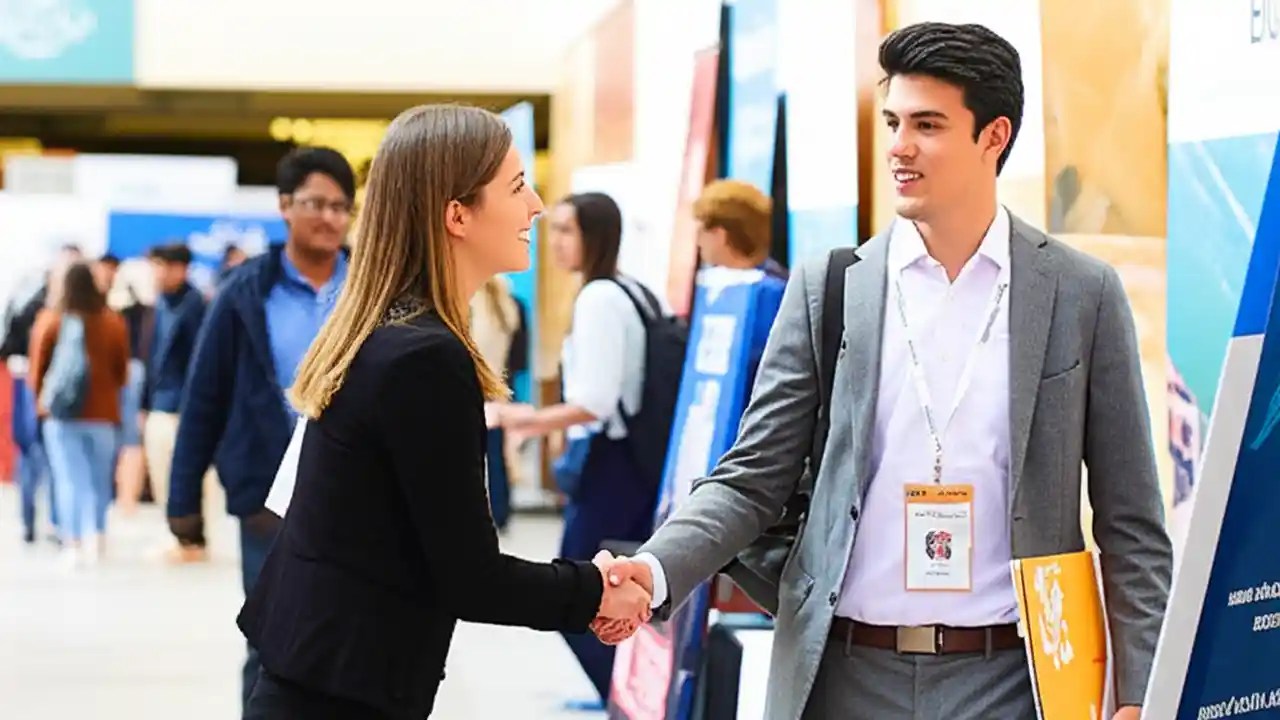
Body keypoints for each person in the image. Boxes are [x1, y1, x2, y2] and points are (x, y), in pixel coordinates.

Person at [598, 22, 1171, 720]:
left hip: (1013, 682)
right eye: (894, 120)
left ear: (993, 136)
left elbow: (1132, 521)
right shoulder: (833, 287)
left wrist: (1142, 693)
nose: (898, 146)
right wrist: (653, 571)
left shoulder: (1081, 293)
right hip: (842, 676)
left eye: (927, 125)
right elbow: (751, 479)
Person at [237, 104, 652, 720]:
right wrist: (594, 591)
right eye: (516, 186)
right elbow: (469, 575)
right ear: (457, 214)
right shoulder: (424, 359)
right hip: (344, 689)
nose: (536, 204)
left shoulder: (387, 334)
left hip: (318, 674)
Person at [166, 146, 356, 708]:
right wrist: (183, 502)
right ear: (284, 206)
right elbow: (205, 396)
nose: (328, 217)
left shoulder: (371, 289)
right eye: (315, 203)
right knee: (273, 637)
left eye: (341, 206)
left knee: (351, 639)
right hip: (267, 498)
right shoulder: (243, 293)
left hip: (357, 494)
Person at [499, 192, 663, 706]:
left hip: (611, 464)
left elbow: (594, 400)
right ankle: (626, 696)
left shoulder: (600, 298)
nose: (556, 242)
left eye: (567, 231)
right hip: (635, 462)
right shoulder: (633, 292)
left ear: (596, 235)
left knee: (582, 588)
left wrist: (526, 420)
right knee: (620, 587)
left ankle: (618, 697)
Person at [28, 262, 129, 568]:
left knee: (68, 479)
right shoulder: (112, 322)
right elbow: (122, 372)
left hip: (62, 417)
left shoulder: (51, 320)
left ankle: (71, 541)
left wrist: (44, 403)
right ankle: (96, 538)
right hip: (102, 416)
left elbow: (37, 372)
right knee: (98, 480)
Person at [140, 243, 215, 562]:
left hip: (184, 409)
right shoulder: (160, 304)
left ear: (180, 268)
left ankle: (191, 539)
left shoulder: (196, 306)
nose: (157, 273)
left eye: (162, 266)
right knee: (160, 475)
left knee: (186, 475)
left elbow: (203, 363)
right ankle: (177, 536)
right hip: (160, 404)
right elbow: (152, 358)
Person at [469, 275, 522, 532]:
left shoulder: (474, 305)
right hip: (497, 388)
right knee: (496, 457)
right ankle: (500, 512)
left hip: (475, 389)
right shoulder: (506, 304)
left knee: (472, 459)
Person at [693, 179, 788, 280]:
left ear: (720, 234)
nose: (698, 242)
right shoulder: (706, 282)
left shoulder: (773, 288)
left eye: (702, 231)